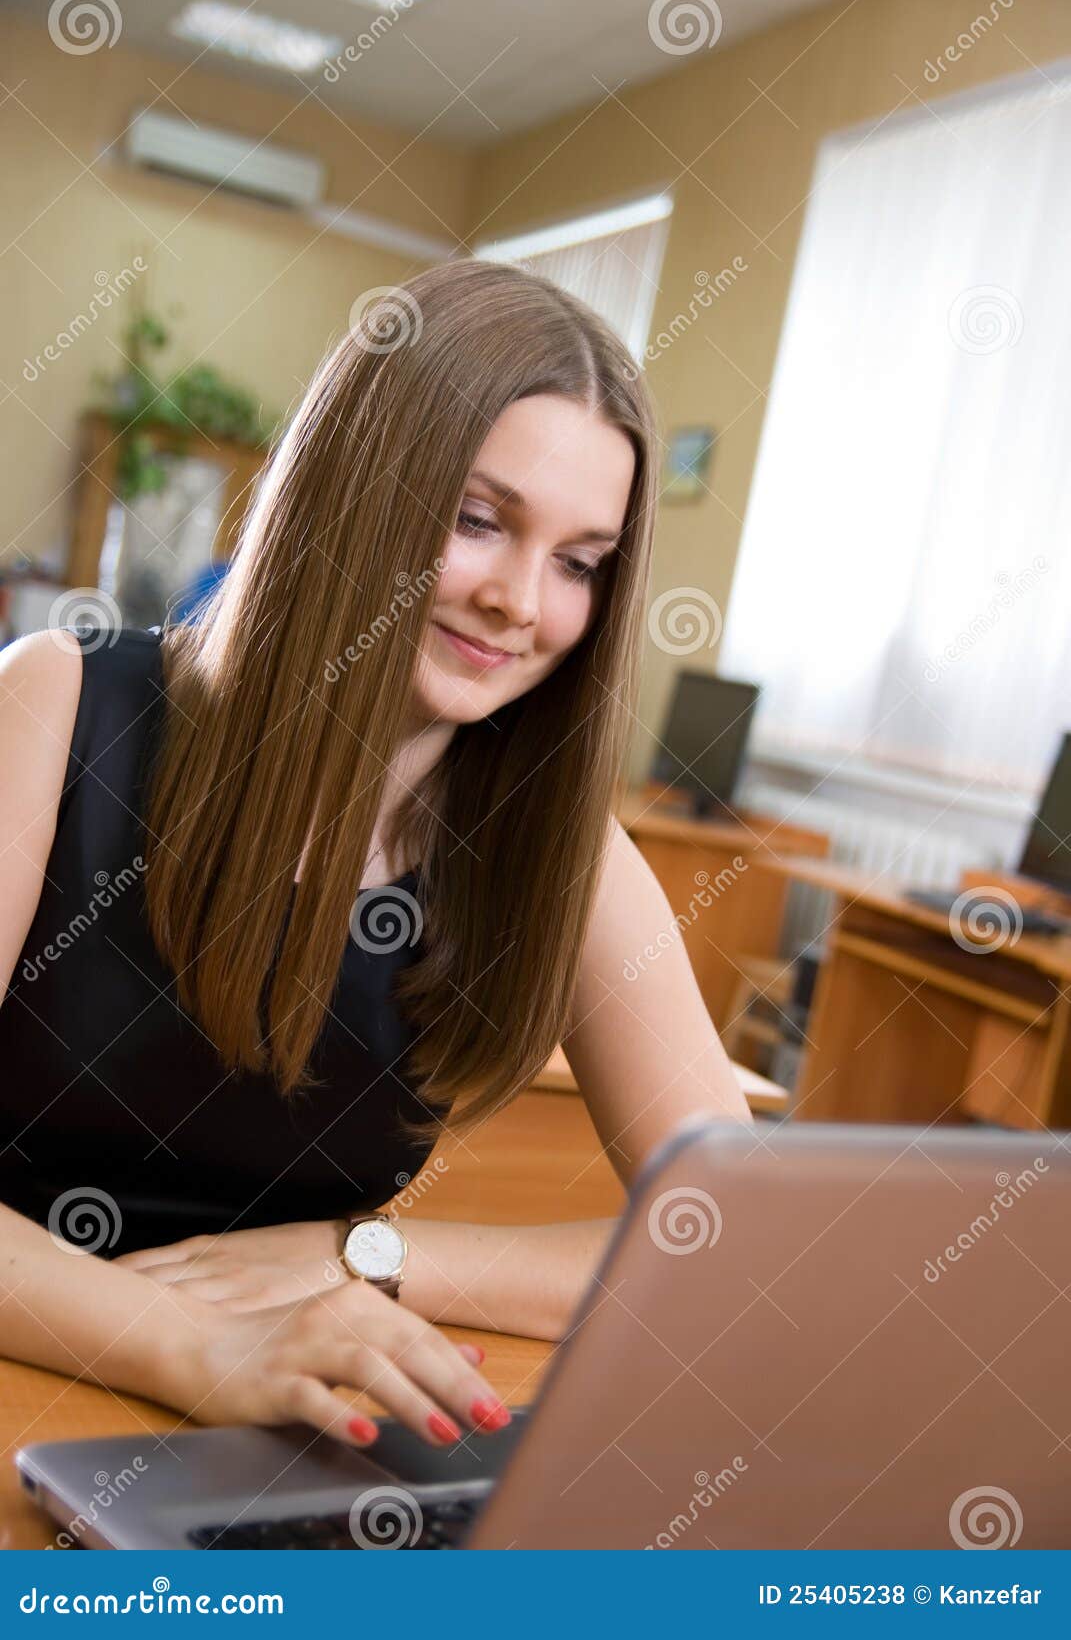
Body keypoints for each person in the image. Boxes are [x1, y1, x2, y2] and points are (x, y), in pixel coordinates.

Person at [0, 258, 750, 1454]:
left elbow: (740, 1237)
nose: (520, 601)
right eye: (477, 519)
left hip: (283, 1423)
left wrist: (367, 1253)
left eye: (579, 561)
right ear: (353, 490)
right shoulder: (61, 702)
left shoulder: (560, 850)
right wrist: (194, 1345)